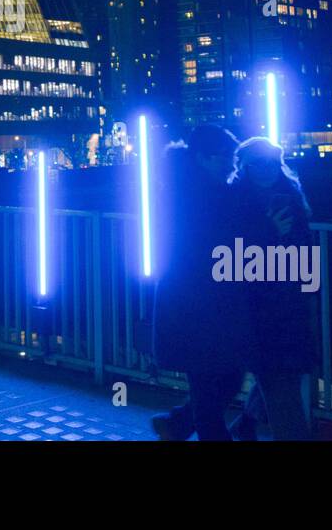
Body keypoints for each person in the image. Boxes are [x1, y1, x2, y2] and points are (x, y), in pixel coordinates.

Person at [150, 124, 252, 440]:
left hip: (198, 306)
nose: (229, 163)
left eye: (230, 156)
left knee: (221, 381)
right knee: (215, 386)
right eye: (221, 156)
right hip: (198, 307)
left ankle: (177, 423)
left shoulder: (192, 190)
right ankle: (179, 423)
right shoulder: (199, 196)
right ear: (200, 158)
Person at [231, 136, 317, 439]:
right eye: (257, 163)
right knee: (284, 394)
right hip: (258, 310)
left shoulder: (289, 197)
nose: (265, 169)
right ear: (245, 167)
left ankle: (244, 425)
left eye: (270, 162)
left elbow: (305, 250)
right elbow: (232, 255)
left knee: (282, 384)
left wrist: (308, 289)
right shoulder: (236, 203)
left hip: (287, 306)